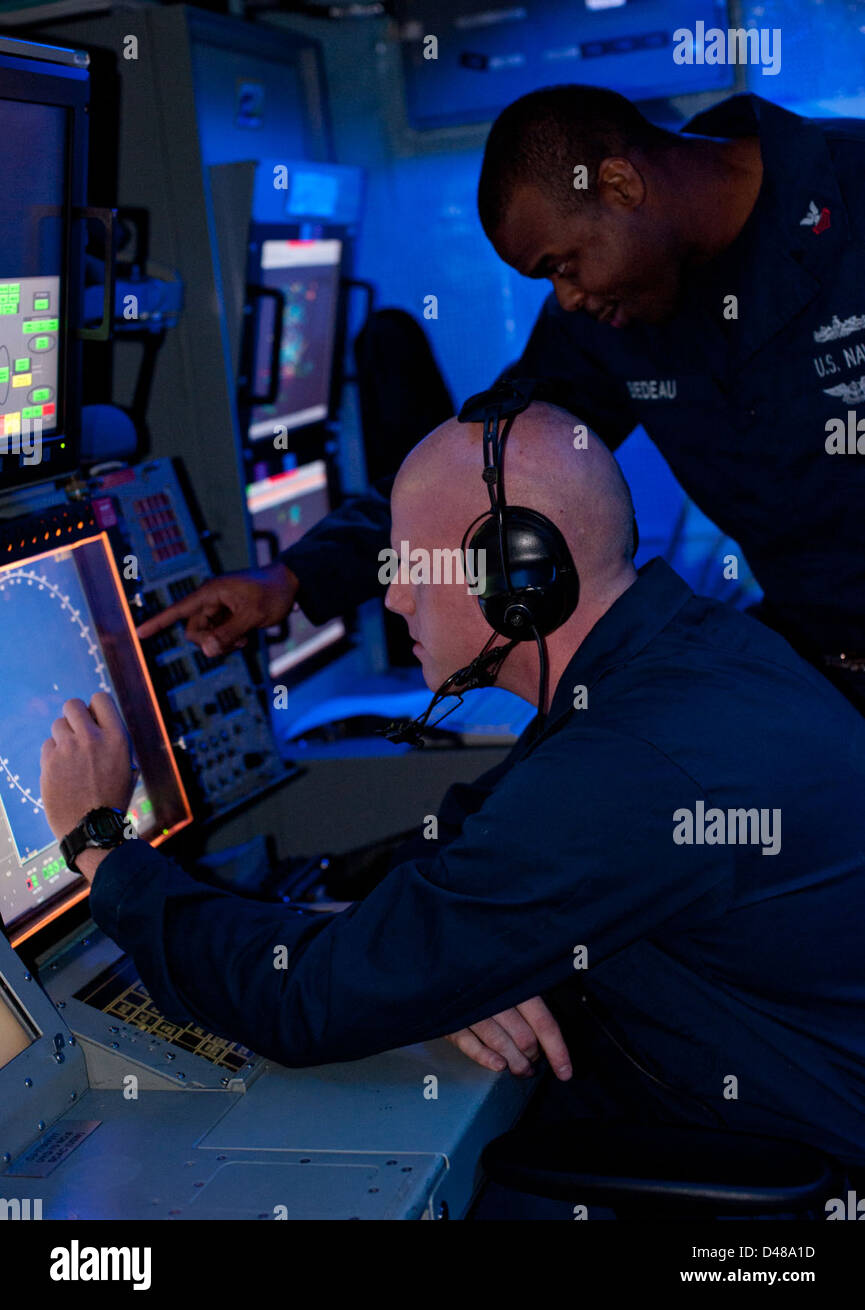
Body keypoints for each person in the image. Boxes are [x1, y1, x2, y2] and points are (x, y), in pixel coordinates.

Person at [42, 404, 865, 1171]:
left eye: (406, 565)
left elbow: (301, 1003)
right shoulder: (678, 657)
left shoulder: (632, 758)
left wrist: (99, 846)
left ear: (515, 569)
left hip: (794, 1162)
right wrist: (452, 960)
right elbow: (493, 833)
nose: (394, 597)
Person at [138, 85, 865, 713]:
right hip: (824, 661)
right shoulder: (605, 319)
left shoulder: (850, 189)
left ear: (619, 185)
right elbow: (482, 463)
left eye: (563, 265)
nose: (569, 299)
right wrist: (296, 575)